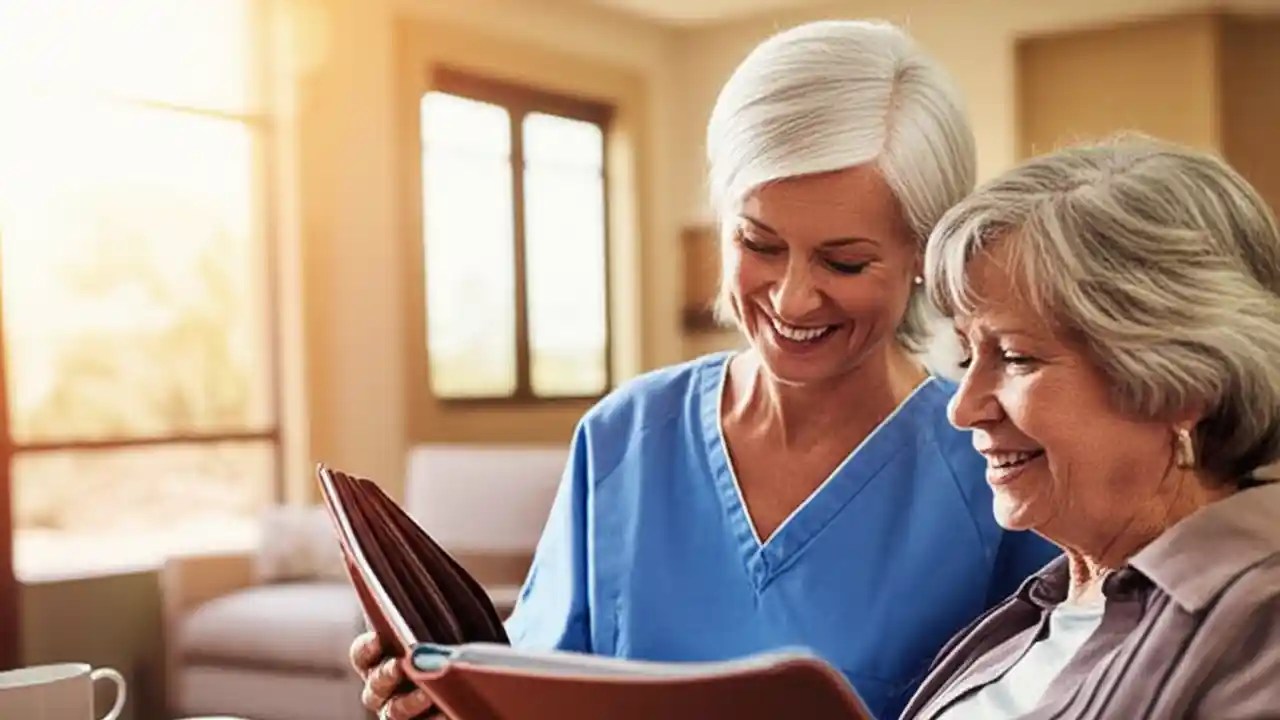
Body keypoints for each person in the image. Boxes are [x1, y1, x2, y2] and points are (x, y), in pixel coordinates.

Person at [354, 20, 1057, 720]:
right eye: (759, 242)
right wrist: (437, 701)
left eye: (843, 262)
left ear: (923, 258)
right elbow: (530, 690)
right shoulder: (623, 437)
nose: (790, 298)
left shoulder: (994, 461)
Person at [901, 135, 1280, 719]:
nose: (964, 408)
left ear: (1183, 388)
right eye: (965, 357)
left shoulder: (1260, 621)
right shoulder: (1044, 606)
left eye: (1016, 358)